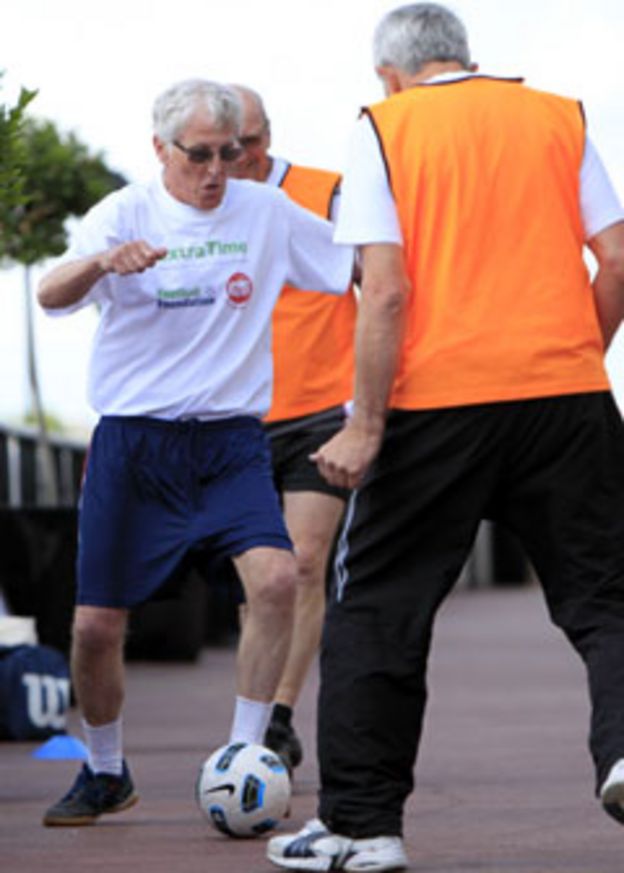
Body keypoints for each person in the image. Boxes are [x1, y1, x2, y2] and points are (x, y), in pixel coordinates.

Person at [267, 4, 624, 871]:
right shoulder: (557, 115)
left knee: (379, 609)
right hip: (567, 396)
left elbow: (383, 292)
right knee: (609, 595)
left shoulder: (384, 128)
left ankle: (361, 826)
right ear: (465, 56)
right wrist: (575, 355)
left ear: (390, 72)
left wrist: (364, 423)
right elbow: (616, 259)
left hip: (436, 406)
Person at [36, 78, 354, 828]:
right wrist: (102, 264)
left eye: (231, 153)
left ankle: (245, 757)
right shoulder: (124, 212)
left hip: (230, 441)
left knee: (279, 578)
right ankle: (107, 769)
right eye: (201, 155)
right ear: (161, 150)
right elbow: (51, 292)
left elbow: (357, 268)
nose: (218, 171)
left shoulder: (267, 212)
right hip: (133, 442)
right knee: (93, 627)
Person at [226, 84, 357, 773]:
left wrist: (374, 402)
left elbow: (382, 278)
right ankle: (253, 709)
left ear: (268, 136)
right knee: (265, 579)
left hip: (321, 406)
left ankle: (276, 716)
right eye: (225, 143)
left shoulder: (327, 191)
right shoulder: (206, 204)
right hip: (235, 414)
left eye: (249, 141)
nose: (238, 156)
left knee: (306, 564)